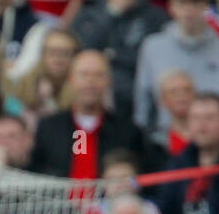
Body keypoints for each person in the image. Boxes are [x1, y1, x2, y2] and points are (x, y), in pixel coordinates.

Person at [134, 0, 219, 136]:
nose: (188, 11)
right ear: (171, 6)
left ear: (206, 6)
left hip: (214, 147)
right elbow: (143, 103)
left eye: (195, 3)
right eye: (181, 3)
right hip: (162, 144)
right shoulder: (151, 47)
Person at [29, 49, 145, 179]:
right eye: (84, 74)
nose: (90, 81)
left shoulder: (127, 131)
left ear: (109, 81)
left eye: (98, 75)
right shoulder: (48, 127)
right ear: (70, 80)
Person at [70, 0, 168, 122]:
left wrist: (116, 57)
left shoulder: (155, 17)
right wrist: (112, 12)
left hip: (135, 93)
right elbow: (80, 50)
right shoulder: (87, 11)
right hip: (94, 91)